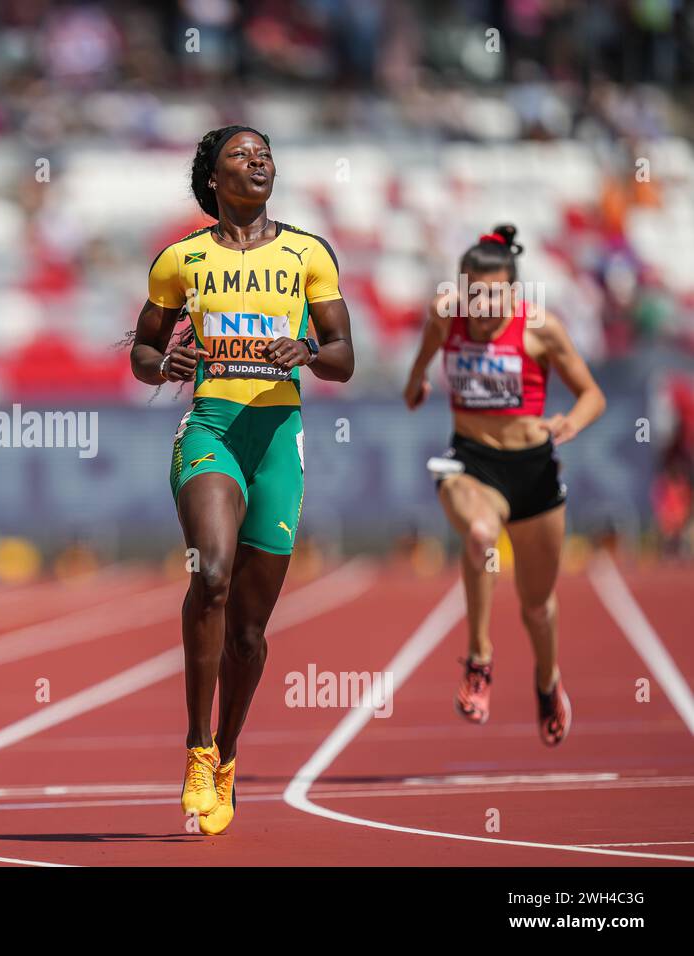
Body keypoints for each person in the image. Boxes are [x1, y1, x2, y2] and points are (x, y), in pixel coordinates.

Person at [129, 126, 354, 835]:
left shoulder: (309, 253)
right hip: (213, 431)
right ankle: (197, 747)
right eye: (241, 155)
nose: (257, 160)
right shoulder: (180, 260)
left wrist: (311, 350)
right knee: (214, 573)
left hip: (278, 438)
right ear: (214, 180)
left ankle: (228, 754)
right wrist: (163, 363)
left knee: (250, 633)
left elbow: (346, 357)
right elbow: (140, 348)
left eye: (264, 153)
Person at [403, 224, 606, 746]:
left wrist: (570, 423)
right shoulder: (446, 317)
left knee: (537, 606)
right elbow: (424, 355)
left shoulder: (542, 328)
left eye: (495, 294)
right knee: (478, 533)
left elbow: (591, 395)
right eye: (475, 293)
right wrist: (417, 381)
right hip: (472, 463)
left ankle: (546, 682)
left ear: (514, 293)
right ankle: (479, 658)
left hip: (533, 472)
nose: (485, 305)